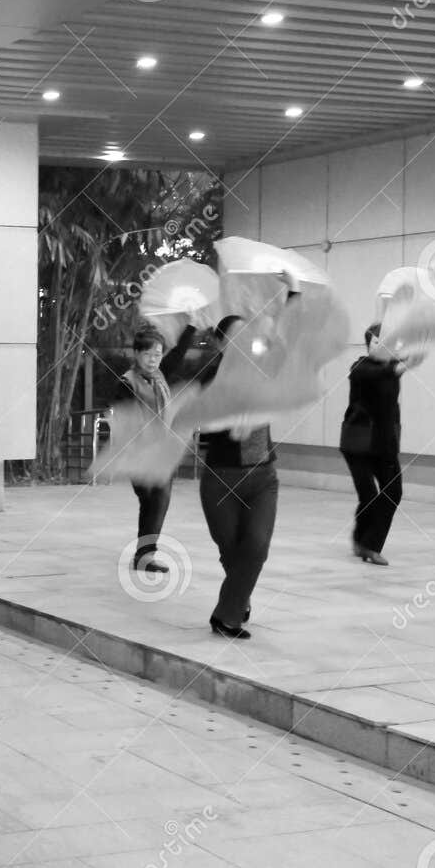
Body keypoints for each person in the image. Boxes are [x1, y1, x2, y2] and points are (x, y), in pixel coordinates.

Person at [172, 273, 300, 640]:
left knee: (256, 548)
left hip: (262, 478)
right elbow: (175, 374)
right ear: (220, 343)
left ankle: (226, 616)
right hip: (221, 481)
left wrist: (293, 291)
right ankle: (237, 599)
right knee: (232, 552)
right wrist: (189, 329)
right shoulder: (208, 376)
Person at [340, 322, 416, 565]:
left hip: (385, 443)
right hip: (358, 444)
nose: (381, 344)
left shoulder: (393, 368)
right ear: (369, 345)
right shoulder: (360, 367)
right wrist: (398, 368)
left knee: (393, 491)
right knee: (369, 496)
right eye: (376, 341)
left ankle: (369, 544)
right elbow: (372, 374)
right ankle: (362, 541)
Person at [123, 327, 174, 573]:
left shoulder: (160, 378)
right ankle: (144, 555)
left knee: (154, 504)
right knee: (155, 501)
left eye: (158, 354)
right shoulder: (127, 382)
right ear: (136, 353)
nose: (153, 360)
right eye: (147, 354)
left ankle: (144, 556)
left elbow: (179, 354)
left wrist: (191, 326)